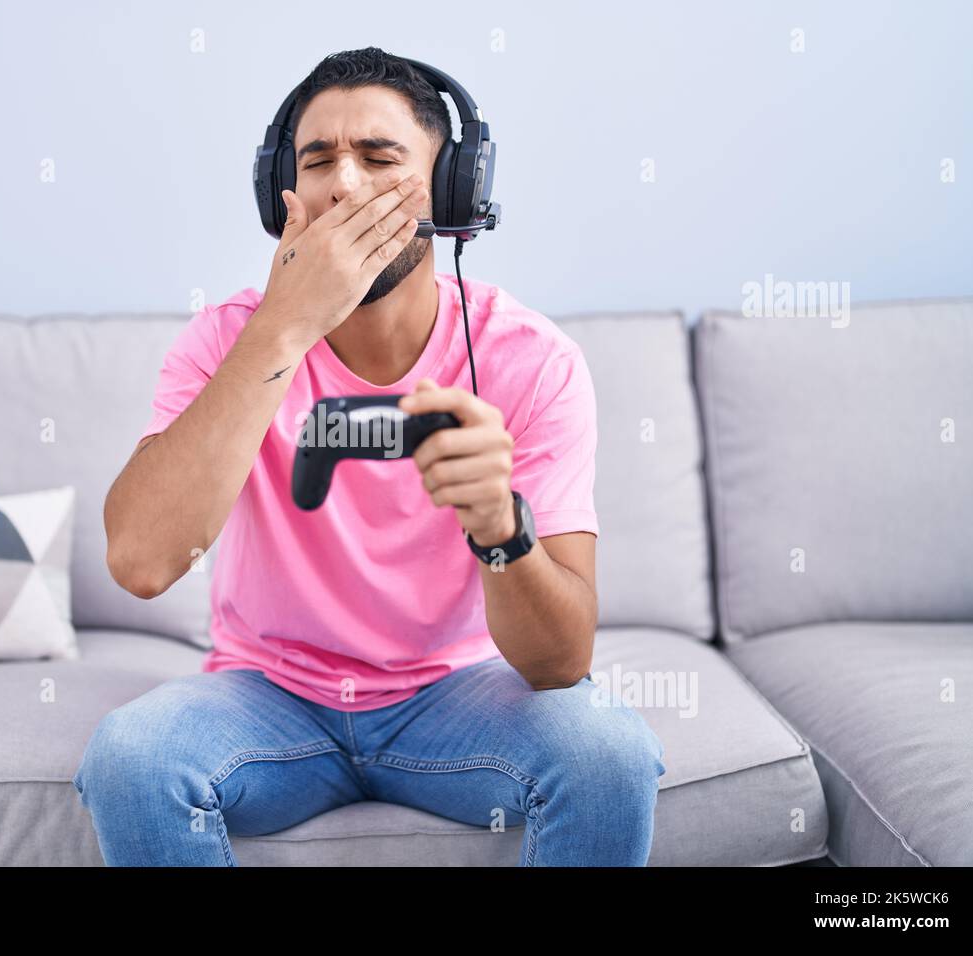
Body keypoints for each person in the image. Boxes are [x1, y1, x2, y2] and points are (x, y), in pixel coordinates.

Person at [73, 46, 666, 866]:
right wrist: (285, 325)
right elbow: (140, 561)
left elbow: (561, 661)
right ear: (284, 195)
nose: (345, 185)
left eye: (380, 158)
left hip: (458, 695)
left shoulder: (533, 360)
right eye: (319, 162)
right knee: (131, 759)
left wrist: (501, 526)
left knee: (608, 754)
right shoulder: (223, 340)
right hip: (269, 694)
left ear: (454, 189)